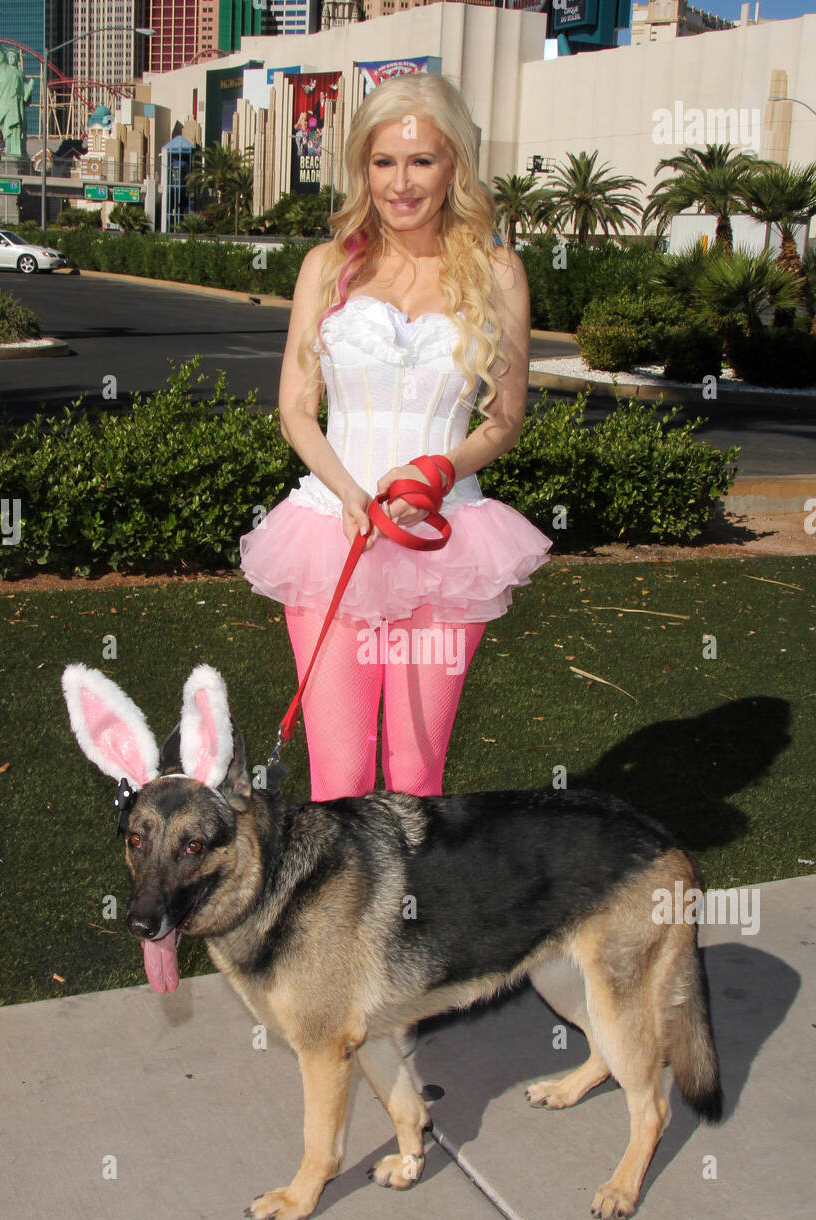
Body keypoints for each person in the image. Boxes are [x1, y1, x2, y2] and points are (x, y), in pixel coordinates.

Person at [238, 72, 552, 802]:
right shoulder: (326, 266)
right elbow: (294, 408)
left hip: (445, 540)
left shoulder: (498, 274)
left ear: (454, 168)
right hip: (330, 532)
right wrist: (347, 491)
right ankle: (340, 920)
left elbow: (503, 419)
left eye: (421, 161)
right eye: (383, 162)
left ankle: (414, 915)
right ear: (361, 167)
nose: (400, 183)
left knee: (416, 776)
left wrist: (440, 468)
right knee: (338, 778)